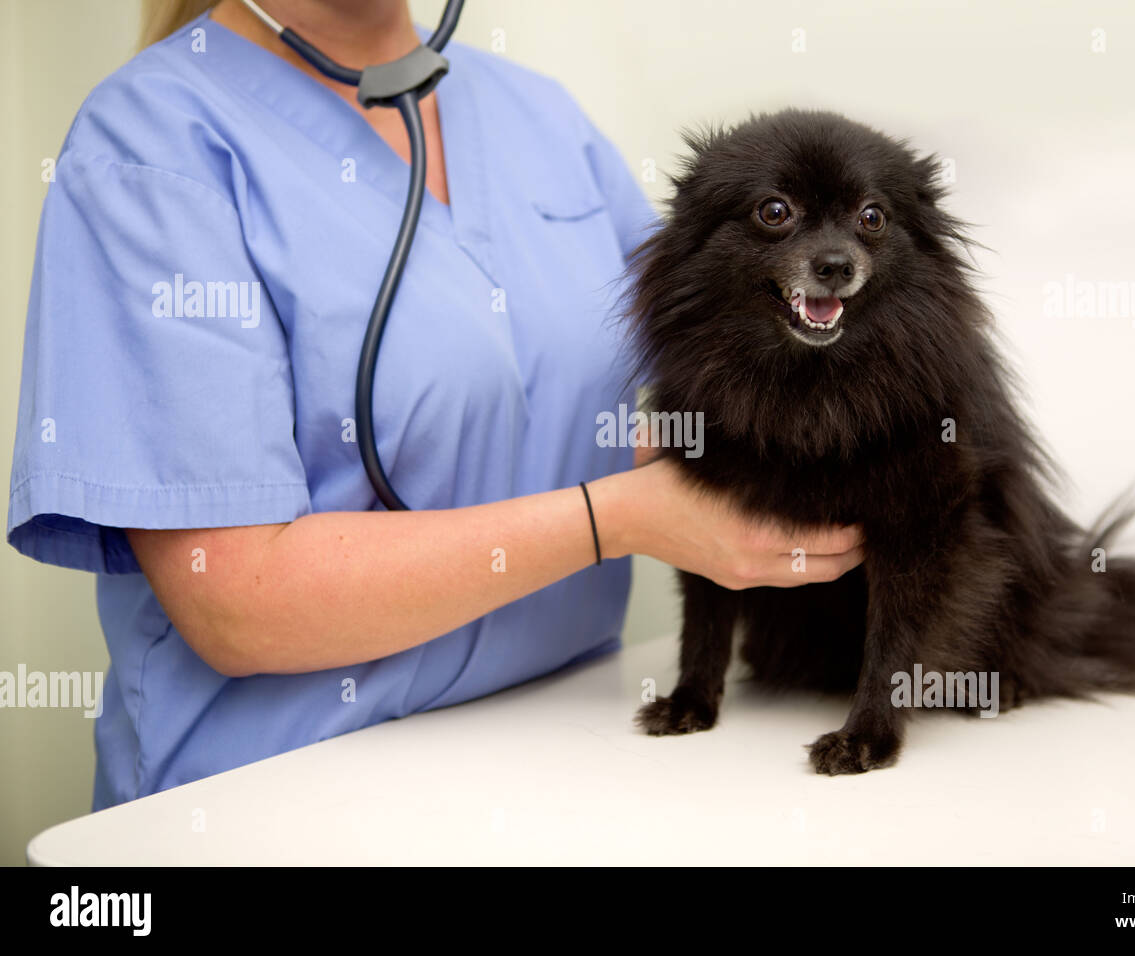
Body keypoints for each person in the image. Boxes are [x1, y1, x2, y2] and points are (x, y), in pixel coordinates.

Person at [7, 0, 865, 810]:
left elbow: (678, 362)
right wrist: (620, 520)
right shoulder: (152, 145)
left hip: (573, 755)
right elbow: (237, 599)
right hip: (274, 797)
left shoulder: (541, 118)